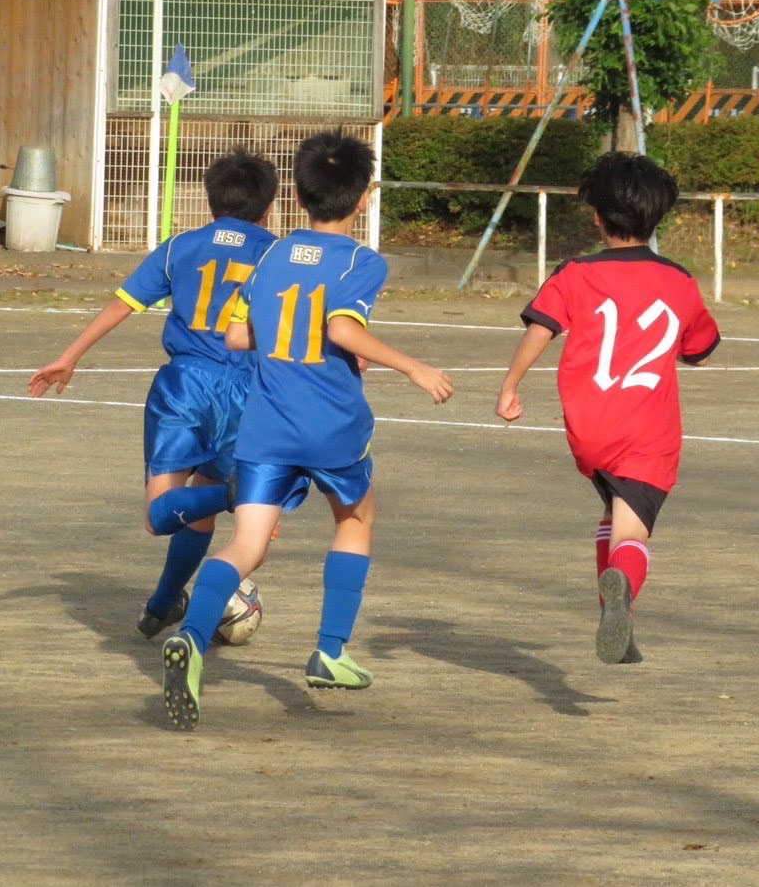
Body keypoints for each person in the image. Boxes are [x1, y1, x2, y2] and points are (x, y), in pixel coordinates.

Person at [161, 130, 454, 732]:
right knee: (356, 517)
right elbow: (344, 329)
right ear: (365, 197)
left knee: (246, 546)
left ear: (297, 193)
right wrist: (413, 366)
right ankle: (330, 650)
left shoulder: (269, 255)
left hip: (266, 426)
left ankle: (191, 637)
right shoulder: (362, 261)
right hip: (331, 424)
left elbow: (238, 336)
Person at [29, 147, 290, 640]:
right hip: (250, 394)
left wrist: (70, 355)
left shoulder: (179, 247)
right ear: (269, 207)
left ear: (210, 202)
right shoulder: (275, 253)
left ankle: (162, 605)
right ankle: (238, 498)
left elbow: (123, 303)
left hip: (183, 387)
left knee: (163, 516)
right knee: (243, 529)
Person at [495, 151, 720, 665]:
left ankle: (617, 620)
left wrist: (510, 385)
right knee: (632, 536)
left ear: (596, 216)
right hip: (648, 430)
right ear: (658, 214)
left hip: (589, 426)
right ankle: (622, 586)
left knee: (611, 510)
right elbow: (700, 350)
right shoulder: (679, 281)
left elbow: (541, 328)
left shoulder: (575, 273)